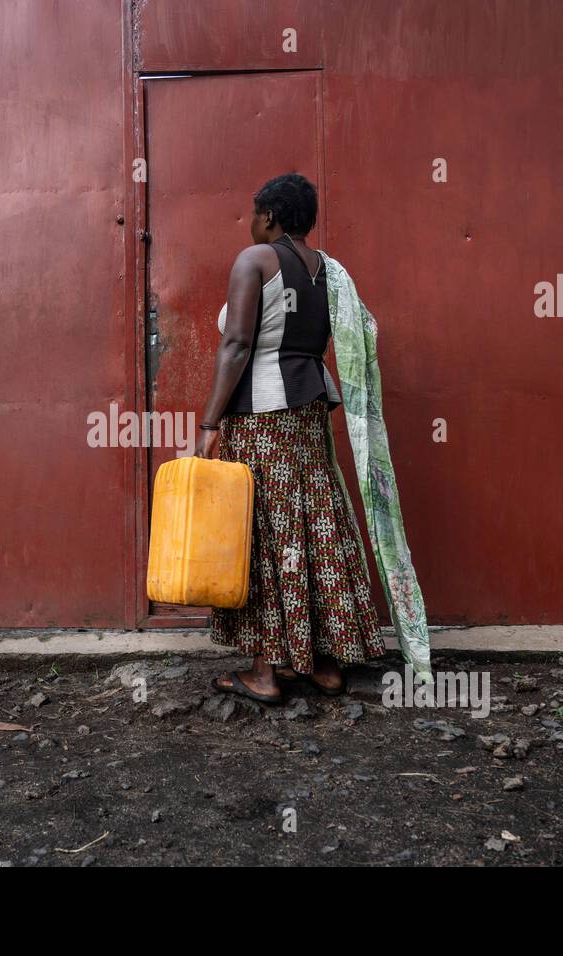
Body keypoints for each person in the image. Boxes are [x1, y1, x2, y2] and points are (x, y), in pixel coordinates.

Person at [196, 172, 386, 705]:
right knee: (314, 521)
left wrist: (209, 422)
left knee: (266, 530)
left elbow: (235, 345)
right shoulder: (330, 271)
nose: (251, 224)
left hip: (262, 415)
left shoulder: (254, 260)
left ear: (272, 217)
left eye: (255, 214)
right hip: (308, 410)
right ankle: (324, 663)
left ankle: (264, 672)